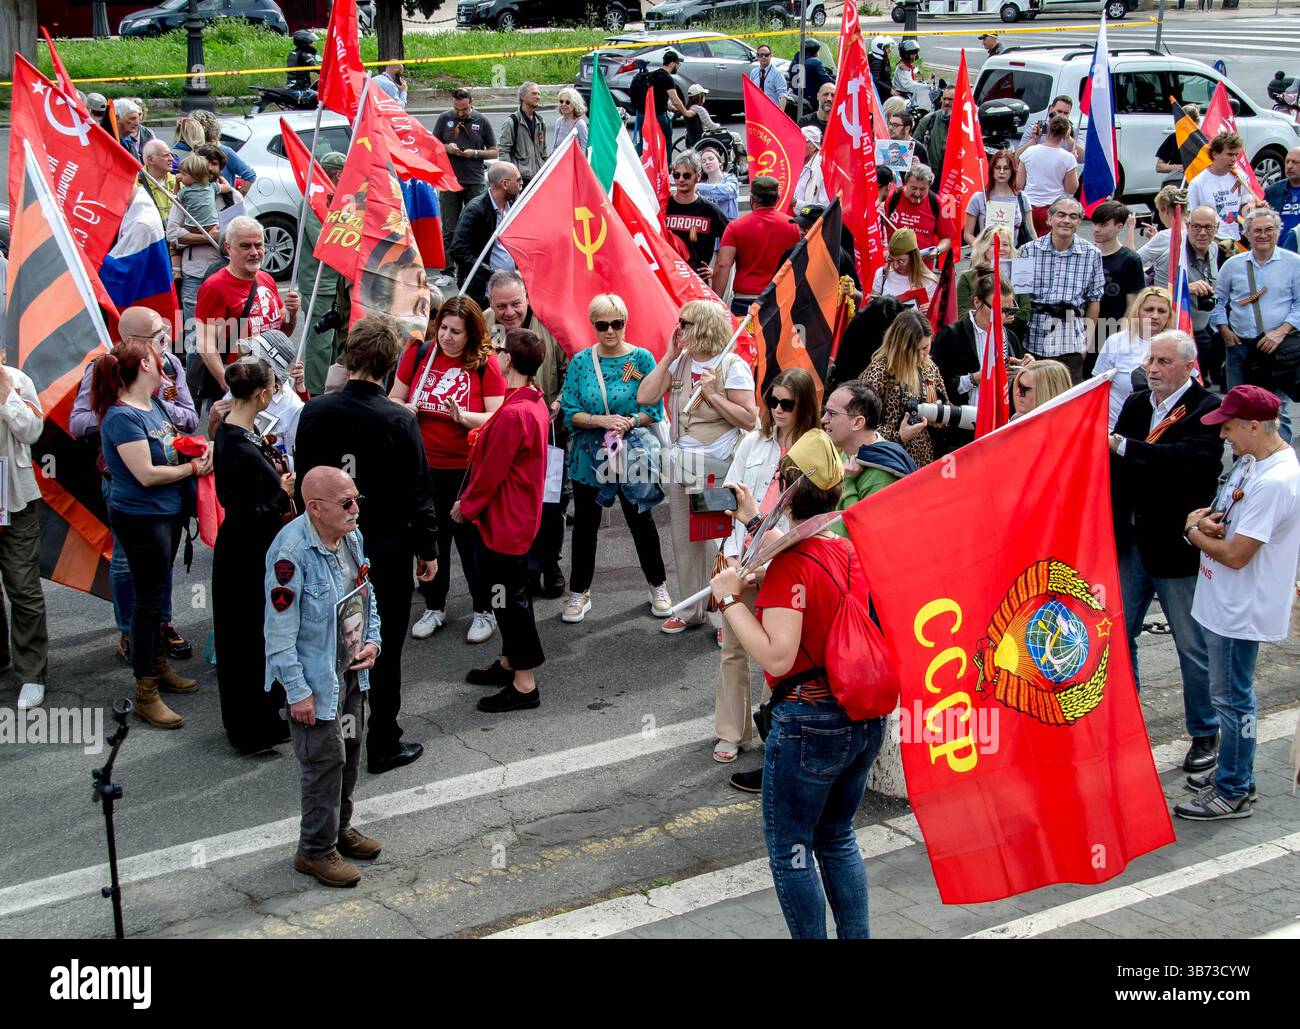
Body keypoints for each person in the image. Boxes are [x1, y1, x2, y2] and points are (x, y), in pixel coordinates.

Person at [709, 429, 886, 938]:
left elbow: (776, 655)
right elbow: (794, 549)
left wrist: (729, 602)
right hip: (860, 716)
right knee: (837, 838)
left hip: (810, 722)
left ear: (784, 484)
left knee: (792, 851)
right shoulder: (846, 550)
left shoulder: (789, 566)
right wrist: (750, 523)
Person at [294, 316, 439, 776]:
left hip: (327, 544)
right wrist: (428, 550)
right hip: (384, 547)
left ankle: (331, 739)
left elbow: (304, 481)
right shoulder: (398, 418)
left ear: (349, 357)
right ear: (390, 363)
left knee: (329, 642)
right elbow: (420, 492)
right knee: (381, 645)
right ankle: (383, 742)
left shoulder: (315, 412)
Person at [1179, 386, 1300, 820]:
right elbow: (1220, 517)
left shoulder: (1275, 480)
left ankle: (1234, 788)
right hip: (1223, 601)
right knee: (1228, 696)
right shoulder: (1252, 461)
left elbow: (1235, 554)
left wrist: (1191, 532)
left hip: (1241, 608)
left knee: (1233, 699)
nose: (1222, 434)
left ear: (1254, 425)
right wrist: (1201, 520)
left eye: (1229, 427)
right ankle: (1232, 775)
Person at [1108, 330, 1223, 775]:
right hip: (1132, 542)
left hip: (1175, 548)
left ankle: (1205, 730)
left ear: (1188, 366)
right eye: (1150, 360)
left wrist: (1127, 448)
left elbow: (1188, 465)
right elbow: (1119, 467)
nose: (1152, 368)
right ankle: (1128, 724)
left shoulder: (1206, 409)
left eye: (1163, 361)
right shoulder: (1138, 404)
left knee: (1191, 646)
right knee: (1119, 635)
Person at [266, 466, 383, 887]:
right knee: (322, 762)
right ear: (314, 508)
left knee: (349, 752)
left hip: (350, 670)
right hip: (315, 681)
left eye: (356, 500)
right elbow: (278, 633)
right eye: (345, 503)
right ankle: (314, 850)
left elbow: (365, 596)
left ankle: (339, 827)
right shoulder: (289, 555)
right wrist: (297, 692)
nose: (355, 509)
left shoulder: (351, 537)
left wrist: (373, 641)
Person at [70, 308, 198, 667]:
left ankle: (162, 624)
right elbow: (78, 422)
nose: (166, 337)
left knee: (163, 560)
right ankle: (131, 630)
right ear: (132, 343)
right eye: (157, 333)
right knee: (127, 561)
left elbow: (189, 415)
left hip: (169, 478)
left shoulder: (169, 365)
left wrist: (155, 408)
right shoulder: (104, 370)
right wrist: (130, 412)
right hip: (126, 482)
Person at [93, 340, 210, 729]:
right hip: (142, 517)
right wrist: (193, 470)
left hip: (165, 514)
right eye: (158, 353)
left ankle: (158, 670)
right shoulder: (122, 417)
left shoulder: (154, 404)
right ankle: (145, 691)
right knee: (146, 604)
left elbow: (169, 449)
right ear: (145, 364)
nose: (165, 358)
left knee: (157, 596)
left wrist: (194, 452)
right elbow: (146, 474)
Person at [713, 368, 819, 763]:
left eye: (786, 404)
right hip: (742, 555)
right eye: (771, 401)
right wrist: (733, 554)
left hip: (786, 563)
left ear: (804, 405)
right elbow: (732, 495)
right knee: (733, 647)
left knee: (777, 655)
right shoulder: (753, 443)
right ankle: (730, 732)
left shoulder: (816, 449)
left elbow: (814, 514)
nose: (776, 409)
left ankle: (771, 726)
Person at [638, 300, 758, 634]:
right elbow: (645, 397)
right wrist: (666, 357)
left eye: (684, 323)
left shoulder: (732, 365)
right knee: (685, 539)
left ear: (702, 326)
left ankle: (726, 617)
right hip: (683, 463)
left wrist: (714, 395)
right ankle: (691, 609)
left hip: (717, 466)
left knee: (718, 541)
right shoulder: (680, 362)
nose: (677, 328)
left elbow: (750, 419)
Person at [390, 297, 504, 644]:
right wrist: (403, 408)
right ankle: (434, 606)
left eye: (456, 331)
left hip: (466, 469)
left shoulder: (486, 363)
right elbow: (393, 397)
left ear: (472, 333)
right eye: (443, 329)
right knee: (429, 541)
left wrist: (464, 418)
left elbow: (497, 417)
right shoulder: (420, 355)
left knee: (472, 545)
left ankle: (484, 610)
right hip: (424, 467)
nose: (447, 337)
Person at [560, 294, 672, 625]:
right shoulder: (581, 362)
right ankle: (579, 591)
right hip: (589, 456)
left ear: (626, 322)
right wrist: (600, 421)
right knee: (585, 526)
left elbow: (654, 409)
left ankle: (658, 586)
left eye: (617, 324)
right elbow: (570, 411)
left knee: (642, 522)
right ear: (593, 326)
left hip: (631, 452)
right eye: (602, 325)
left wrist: (630, 422)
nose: (610, 331)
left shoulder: (641, 359)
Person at [455, 328, 550, 714]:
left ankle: (525, 684)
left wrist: (465, 506)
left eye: (499, 350)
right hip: (516, 516)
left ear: (508, 360)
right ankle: (512, 663)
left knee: (509, 603)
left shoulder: (515, 412)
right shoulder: (529, 401)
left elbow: (491, 472)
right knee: (507, 598)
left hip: (505, 522)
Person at [212, 357, 295, 754]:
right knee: (246, 642)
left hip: (245, 551)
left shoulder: (235, 435)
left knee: (251, 639)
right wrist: (283, 492)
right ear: (262, 394)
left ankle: (260, 718)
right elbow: (251, 517)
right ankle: (251, 727)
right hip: (245, 554)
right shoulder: (238, 448)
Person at [483, 270, 569, 598]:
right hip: (501, 430)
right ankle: (526, 566)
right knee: (512, 504)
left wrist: (558, 404)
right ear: (491, 302)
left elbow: (568, 372)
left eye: (515, 304)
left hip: (546, 431)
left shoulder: (549, 324)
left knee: (550, 502)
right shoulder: (485, 325)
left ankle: (549, 562)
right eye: (501, 305)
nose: (508, 313)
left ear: (527, 298)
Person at [1210, 206, 1298, 442]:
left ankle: (1280, 469)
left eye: (1269, 229)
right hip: (1239, 347)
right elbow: (1217, 303)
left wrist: (1281, 333)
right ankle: (1244, 469)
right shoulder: (1233, 265)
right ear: (1246, 233)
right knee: (1239, 411)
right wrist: (1224, 330)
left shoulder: (1293, 263)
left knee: (1276, 411)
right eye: (1257, 230)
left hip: (1276, 350)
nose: (1263, 235)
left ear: (1278, 232)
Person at [194, 216, 300, 400]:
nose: (254, 252)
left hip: (273, 382)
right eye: (245, 246)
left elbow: (283, 333)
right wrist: (227, 386)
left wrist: (292, 313)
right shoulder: (215, 287)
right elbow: (206, 344)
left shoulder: (266, 279)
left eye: (258, 245)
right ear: (228, 248)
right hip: (241, 386)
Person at [0, 352, 49, 712]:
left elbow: (31, 431)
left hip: (13, 498)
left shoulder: (17, 381)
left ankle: (32, 673)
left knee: (23, 586)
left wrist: (6, 396)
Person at [933, 271, 1026, 452]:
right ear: (977, 302)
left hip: (999, 428)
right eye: (998, 309)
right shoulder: (951, 336)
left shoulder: (1011, 338)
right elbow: (937, 387)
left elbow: (1016, 389)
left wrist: (1025, 370)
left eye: (1009, 310)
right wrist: (975, 378)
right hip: (960, 432)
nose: (1004, 316)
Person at [1017, 196, 1104, 382]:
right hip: (1033, 340)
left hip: (1071, 343)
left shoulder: (1092, 254)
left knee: (1066, 405)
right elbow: (1018, 297)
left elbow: (1094, 301)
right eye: (1061, 215)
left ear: (1079, 222)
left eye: (1073, 216)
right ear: (1049, 219)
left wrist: (1085, 346)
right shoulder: (1027, 251)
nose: (1066, 220)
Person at [822, 381, 917, 542]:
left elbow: (865, 538)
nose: (824, 419)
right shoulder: (845, 454)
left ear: (858, 422)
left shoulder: (883, 473)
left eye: (832, 414)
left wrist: (848, 482)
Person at [859, 308, 948, 468]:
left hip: (924, 463)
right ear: (901, 346)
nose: (922, 355)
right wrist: (899, 436)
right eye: (917, 350)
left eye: (926, 348)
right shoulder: (879, 372)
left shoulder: (929, 368)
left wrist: (940, 417)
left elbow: (946, 405)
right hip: (887, 464)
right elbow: (860, 426)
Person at [296, 151, 349, 397]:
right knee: (320, 344)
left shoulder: (335, 200)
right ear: (338, 175)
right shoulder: (314, 201)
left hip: (335, 284)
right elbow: (325, 242)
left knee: (335, 343)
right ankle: (315, 395)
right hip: (319, 284)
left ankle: (331, 390)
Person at [712, 176, 801, 318]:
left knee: (745, 341)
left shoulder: (735, 227)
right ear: (777, 198)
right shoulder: (794, 226)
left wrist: (714, 304)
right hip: (781, 299)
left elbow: (723, 265)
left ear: (751, 199)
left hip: (745, 300)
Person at [209, 329, 306, 454]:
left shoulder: (293, 407)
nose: (246, 361)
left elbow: (295, 460)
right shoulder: (243, 383)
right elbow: (216, 439)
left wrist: (260, 459)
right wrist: (213, 420)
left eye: (253, 357)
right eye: (250, 354)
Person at [433, 89, 499, 272]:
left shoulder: (481, 121)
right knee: (450, 227)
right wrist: (448, 148)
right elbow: (433, 144)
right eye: (457, 109)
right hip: (449, 180)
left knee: (476, 225)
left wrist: (475, 153)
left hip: (474, 180)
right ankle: (448, 269)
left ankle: (476, 266)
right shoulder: (445, 118)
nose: (460, 113)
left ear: (471, 102)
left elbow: (494, 151)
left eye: (464, 109)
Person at [1094, 286, 1174, 429]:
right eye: (1149, 309)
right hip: (1115, 428)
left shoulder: (1178, 346)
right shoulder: (1115, 342)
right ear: (1137, 311)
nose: (1155, 315)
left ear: (1169, 316)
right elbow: (1097, 388)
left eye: (1162, 311)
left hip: (1160, 431)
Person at [449, 161, 522, 306]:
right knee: (489, 328)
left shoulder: (512, 205)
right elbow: (458, 250)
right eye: (518, 180)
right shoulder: (476, 209)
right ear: (505, 184)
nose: (521, 183)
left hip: (509, 288)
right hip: (482, 293)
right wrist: (491, 272)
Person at [665, 151, 729, 277]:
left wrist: (716, 270)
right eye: (676, 175)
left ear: (698, 176)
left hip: (698, 285)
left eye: (687, 175)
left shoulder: (710, 210)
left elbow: (732, 242)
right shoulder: (663, 207)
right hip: (668, 281)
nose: (681, 179)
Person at [956, 227, 1030, 333]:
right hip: (977, 337)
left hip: (1010, 337)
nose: (1001, 248)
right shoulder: (968, 278)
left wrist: (1002, 319)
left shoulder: (1018, 274)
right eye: (995, 244)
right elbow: (962, 313)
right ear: (984, 248)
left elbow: (1025, 312)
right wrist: (998, 319)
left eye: (1005, 244)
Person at [1092, 200, 1148, 338]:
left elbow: (1133, 303)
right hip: (1085, 328)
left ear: (1119, 227)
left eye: (1103, 224)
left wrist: (1122, 335)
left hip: (1113, 328)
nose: (1096, 229)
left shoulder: (1130, 259)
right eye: (1094, 223)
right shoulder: (1087, 254)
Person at [1017, 115, 1080, 236]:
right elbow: (1071, 188)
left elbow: (1019, 184)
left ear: (1049, 129)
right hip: (1053, 208)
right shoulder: (1068, 158)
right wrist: (1073, 160)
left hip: (1028, 207)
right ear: (1066, 132)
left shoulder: (1029, 152)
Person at [1187, 132, 1251, 249]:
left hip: (1233, 241)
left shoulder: (1239, 176)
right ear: (1215, 154)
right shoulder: (1198, 183)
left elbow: (1243, 206)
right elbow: (1190, 217)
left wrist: (1253, 211)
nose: (1234, 159)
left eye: (1236, 155)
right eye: (1230, 154)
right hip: (1211, 243)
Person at [884, 163, 954, 265]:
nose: (917, 194)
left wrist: (937, 251)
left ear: (929, 186)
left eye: (922, 189)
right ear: (905, 183)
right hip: (895, 266)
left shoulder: (938, 203)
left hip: (922, 267)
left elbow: (947, 238)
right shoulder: (892, 198)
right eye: (913, 188)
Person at [1184, 204, 1224, 384]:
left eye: (1208, 227)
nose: (1202, 233)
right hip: (1182, 331)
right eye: (1196, 226)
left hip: (1205, 325)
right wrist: (1186, 288)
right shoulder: (1174, 254)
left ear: (1217, 229)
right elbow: (1157, 294)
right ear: (1187, 225)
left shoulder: (1214, 248)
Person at [964, 149, 1033, 248]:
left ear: (1012, 170)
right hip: (985, 259)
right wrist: (982, 250)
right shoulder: (978, 198)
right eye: (997, 168)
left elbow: (1031, 232)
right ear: (992, 169)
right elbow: (967, 234)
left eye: (1006, 168)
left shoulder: (1022, 198)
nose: (1001, 172)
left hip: (1013, 257)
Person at [870, 228, 939, 320]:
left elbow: (936, 320)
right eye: (891, 259)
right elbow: (871, 310)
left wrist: (932, 310)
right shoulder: (882, 274)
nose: (895, 265)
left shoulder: (929, 281)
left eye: (901, 261)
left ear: (914, 257)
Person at [190, 109, 257, 193]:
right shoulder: (196, 151)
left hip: (224, 203)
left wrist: (237, 199)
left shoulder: (225, 151)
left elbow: (250, 175)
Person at [499, 82, 548, 188]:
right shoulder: (512, 122)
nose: (538, 97)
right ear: (522, 96)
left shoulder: (540, 121)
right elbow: (504, 151)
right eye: (534, 94)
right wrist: (509, 177)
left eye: (539, 94)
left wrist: (545, 168)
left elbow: (543, 150)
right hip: (520, 180)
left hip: (539, 177)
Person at [1137, 186, 1185, 286]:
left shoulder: (1165, 236)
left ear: (1164, 210)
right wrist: (1155, 239)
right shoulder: (1193, 231)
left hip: (1165, 291)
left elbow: (1133, 261)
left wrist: (1130, 229)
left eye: (1158, 211)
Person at [175, 154, 220, 251]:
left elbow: (175, 200)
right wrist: (221, 178)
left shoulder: (186, 191)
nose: (180, 176)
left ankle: (175, 266)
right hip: (213, 224)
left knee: (173, 244)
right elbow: (227, 187)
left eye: (183, 174)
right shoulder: (211, 187)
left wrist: (177, 183)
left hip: (194, 226)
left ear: (195, 176)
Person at [1016, 94, 1080, 159]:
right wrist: (1034, 140)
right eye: (1059, 111)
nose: (1062, 116)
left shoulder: (1073, 132)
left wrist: (1069, 138)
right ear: (1050, 109)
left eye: (1066, 113)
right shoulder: (1036, 129)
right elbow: (1017, 157)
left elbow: (1083, 158)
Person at [913, 85, 955, 177]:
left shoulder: (965, 124)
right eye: (944, 99)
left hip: (952, 176)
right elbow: (914, 145)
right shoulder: (929, 119)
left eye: (950, 100)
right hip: (930, 173)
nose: (946, 102)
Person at [1263, 146, 1300, 248]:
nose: (1289, 166)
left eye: (1295, 162)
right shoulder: (1273, 190)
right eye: (1287, 162)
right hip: (1279, 252)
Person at [696, 143, 740, 222]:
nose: (707, 162)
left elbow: (729, 192)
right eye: (703, 161)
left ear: (720, 162)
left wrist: (700, 187)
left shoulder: (730, 179)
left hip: (728, 225)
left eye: (711, 159)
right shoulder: (701, 183)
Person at [1156, 104, 1199, 181]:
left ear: (1196, 122)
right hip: (1178, 180)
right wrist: (1179, 167)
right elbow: (1159, 167)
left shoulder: (1202, 140)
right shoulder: (1173, 138)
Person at [791, 39, 835, 113]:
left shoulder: (795, 61)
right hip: (811, 98)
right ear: (814, 50)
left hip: (796, 96)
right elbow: (825, 80)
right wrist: (835, 82)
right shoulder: (815, 62)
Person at [141, 139, 177, 223]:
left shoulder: (179, 182)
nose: (171, 159)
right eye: (166, 155)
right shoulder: (136, 186)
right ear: (150, 160)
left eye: (171, 154)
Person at [792, 126, 828, 210]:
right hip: (792, 218)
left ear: (813, 146)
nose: (797, 144)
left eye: (802, 141)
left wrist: (796, 203)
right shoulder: (795, 162)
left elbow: (824, 208)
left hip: (812, 221)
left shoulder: (823, 169)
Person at [891, 39, 930, 112]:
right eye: (913, 54)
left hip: (905, 94)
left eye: (915, 53)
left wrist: (919, 82)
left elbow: (908, 81)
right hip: (902, 96)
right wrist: (926, 86)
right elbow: (909, 86)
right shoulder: (903, 67)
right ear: (906, 54)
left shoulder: (906, 65)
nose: (915, 56)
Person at [683, 84, 722, 150]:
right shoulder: (700, 110)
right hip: (705, 139)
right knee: (735, 136)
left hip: (693, 141)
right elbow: (712, 127)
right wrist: (719, 126)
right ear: (700, 96)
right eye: (704, 95)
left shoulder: (688, 108)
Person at [749, 44, 787, 108]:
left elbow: (783, 95)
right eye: (761, 55)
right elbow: (750, 93)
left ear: (771, 56)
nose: (763, 57)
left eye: (766, 55)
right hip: (757, 108)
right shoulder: (754, 72)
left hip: (772, 109)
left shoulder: (777, 73)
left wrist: (781, 113)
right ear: (757, 57)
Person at [554, 87, 588, 153]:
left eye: (567, 102)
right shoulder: (558, 122)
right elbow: (555, 147)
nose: (563, 104)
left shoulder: (580, 124)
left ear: (575, 104)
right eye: (561, 101)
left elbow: (584, 149)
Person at [285, 28, 319, 92]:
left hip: (291, 86)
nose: (313, 44)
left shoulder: (292, 53)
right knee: (319, 98)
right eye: (311, 43)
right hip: (300, 88)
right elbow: (316, 68)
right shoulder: (304, 55)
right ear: (304, 44)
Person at [868, 36, 896, 103]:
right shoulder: (877, 62)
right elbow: (875, 81)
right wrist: (889, 90)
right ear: (879, 48)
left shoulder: (882, 58)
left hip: (884, 91)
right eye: (887, 47)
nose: (889, 50)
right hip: (880, 94)